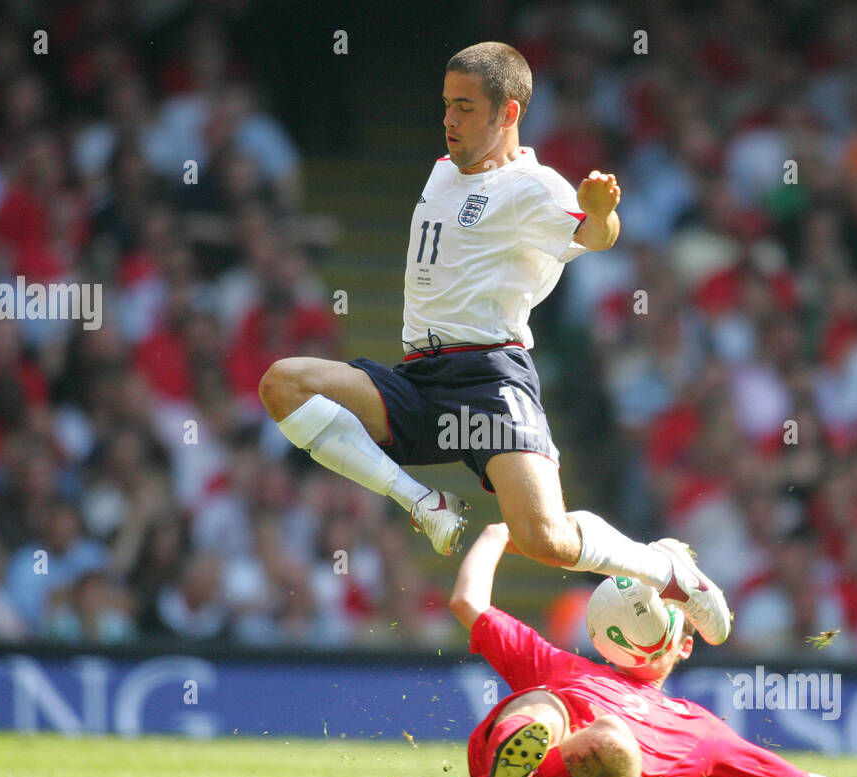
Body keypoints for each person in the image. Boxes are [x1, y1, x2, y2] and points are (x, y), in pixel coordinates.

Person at [258, 41, 730, 646]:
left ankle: (668, 571)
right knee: (283, 383)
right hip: (418, 380)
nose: (450, 120)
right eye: (447, 105)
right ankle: (422, 502)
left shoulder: (533, 187)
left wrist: (599, 212)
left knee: (545, 540)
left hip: (488, 379)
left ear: (508, 114)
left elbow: (596, 234)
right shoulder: (443, 172)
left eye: (466, 108)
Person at [342, 523, 857, 777]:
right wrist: (502, 531)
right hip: (540, 758)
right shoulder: (566, 665)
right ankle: (501, 774)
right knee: (549, 707)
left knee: (610, 741)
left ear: (685, 648)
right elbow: (468, 605)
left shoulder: (703, 730)